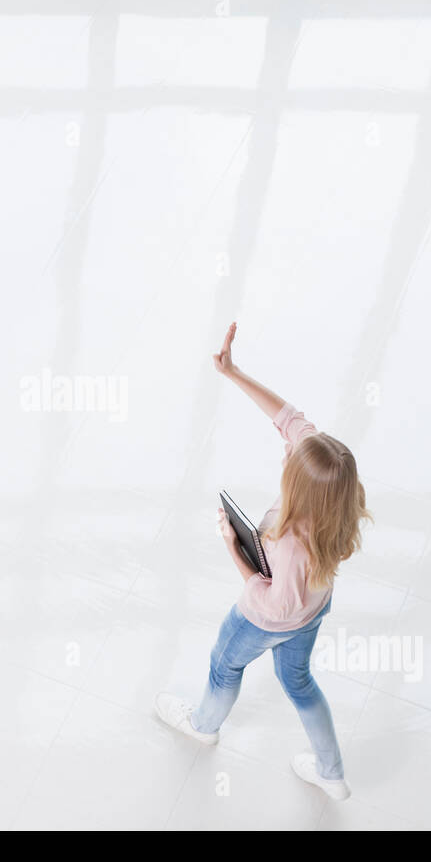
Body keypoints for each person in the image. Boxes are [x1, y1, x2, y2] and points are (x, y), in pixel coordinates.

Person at [155, 322, 370, 800]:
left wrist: (234, 547)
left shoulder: (294, 541)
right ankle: (331, 774)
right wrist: (233, 372)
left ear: (302, 487)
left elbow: (275, 606)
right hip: (315, 609)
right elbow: (290, 420)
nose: (286, 459)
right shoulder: (332, 483)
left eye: (290, 467)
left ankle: (204, 725)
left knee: (223, 666)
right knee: (298, 682)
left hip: (271, 617)